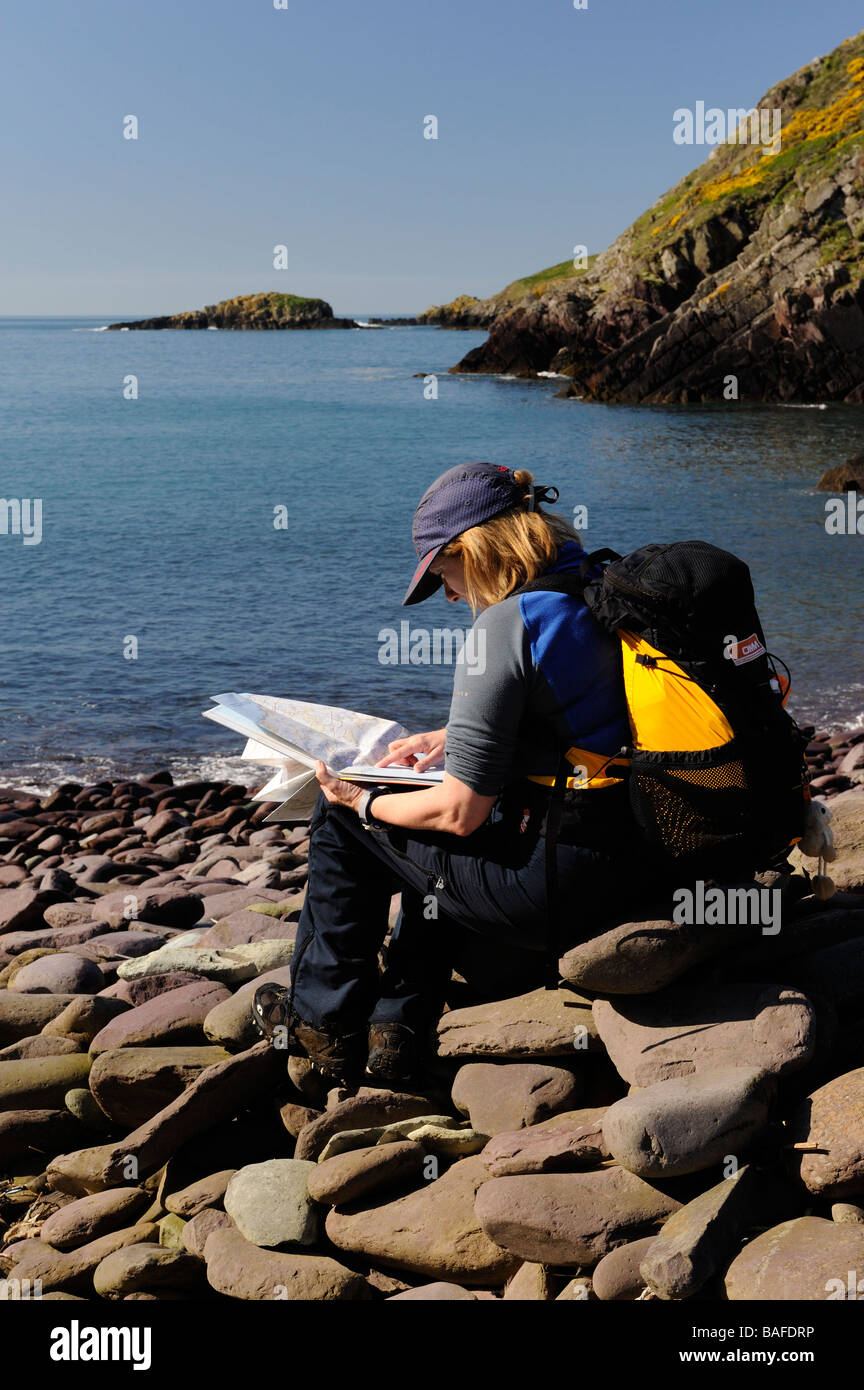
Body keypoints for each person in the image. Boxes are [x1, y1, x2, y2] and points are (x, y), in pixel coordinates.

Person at [251, 461, 674, 1086]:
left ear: (471, 550)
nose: (449, 596)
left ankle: (324, 1025)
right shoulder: (598, 584)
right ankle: (394, 1025)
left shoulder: (507, 626)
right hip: (647, 857)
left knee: (343, 821)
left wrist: (359, 803)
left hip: (564, 894)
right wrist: (451, 738)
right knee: (439, 842)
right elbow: (590, 710)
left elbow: (458, 813)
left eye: (444, 574)